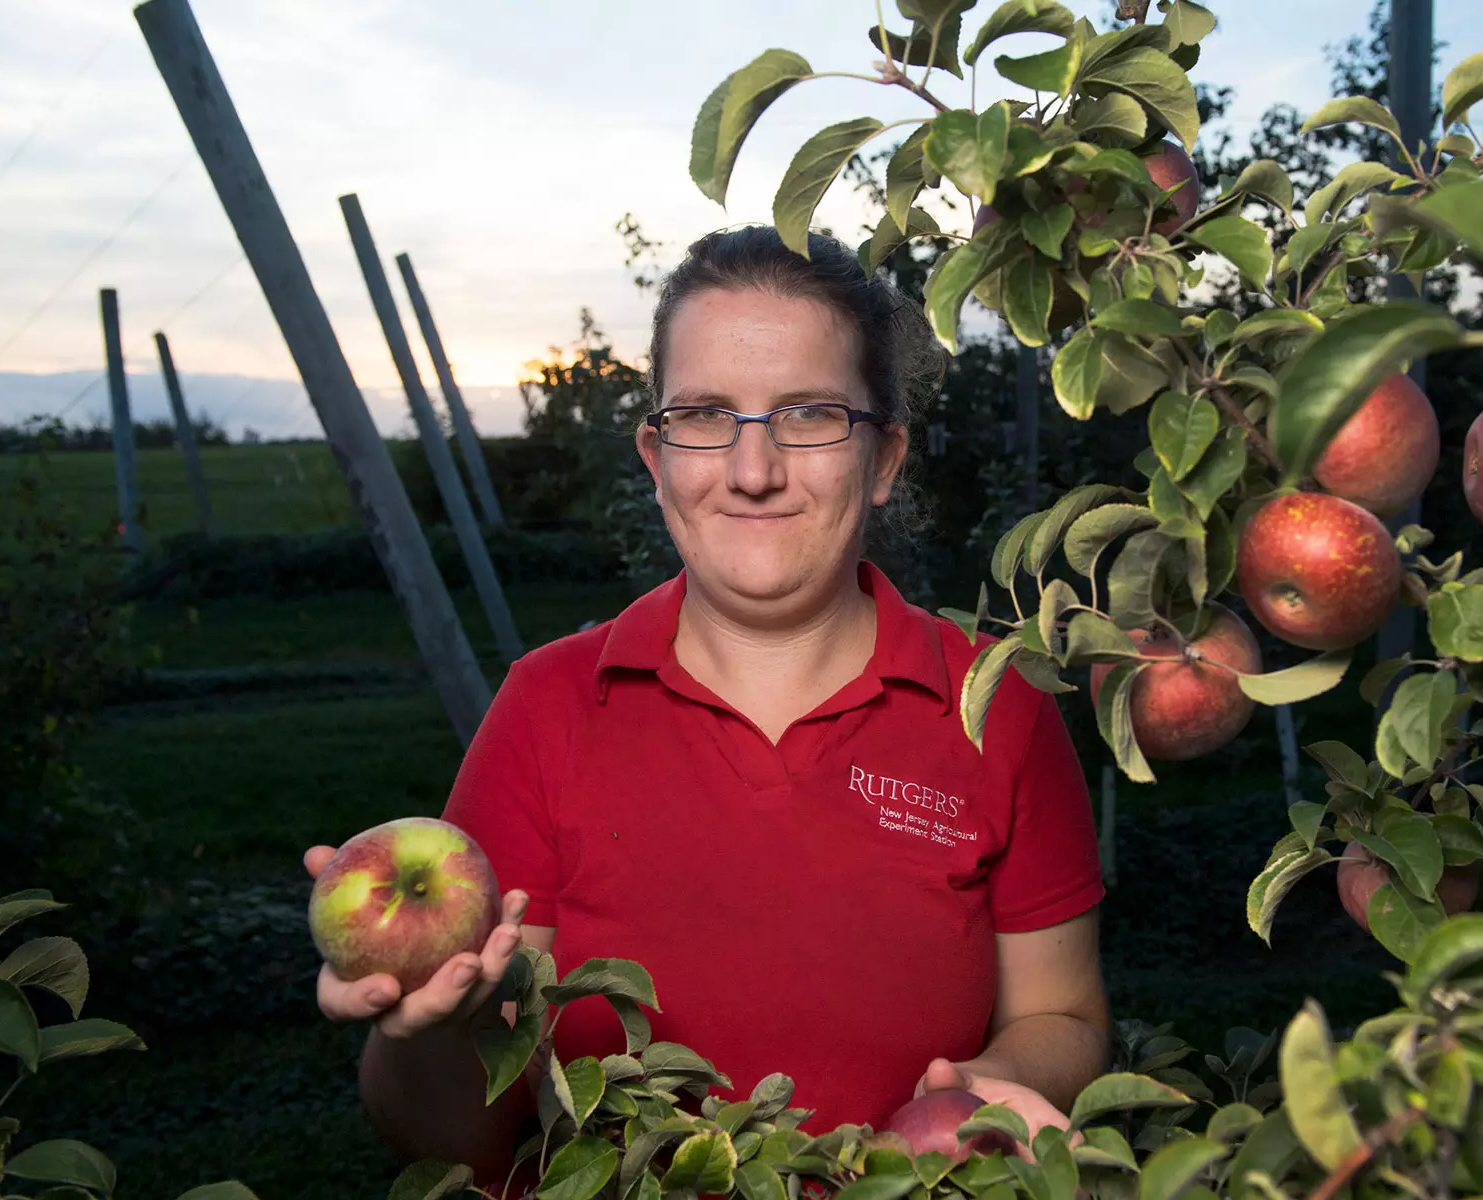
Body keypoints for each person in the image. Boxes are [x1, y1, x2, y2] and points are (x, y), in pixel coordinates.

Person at [307, 225, 1111, 1189]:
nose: (752, 469)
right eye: (703, 416)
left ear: (886, 459)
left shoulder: (995, 703)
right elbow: (448, 1147)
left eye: (809, 414)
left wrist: (983, 1087)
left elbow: (1065, 1019)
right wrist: (424, 1030)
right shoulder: (548, 708)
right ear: (656, 457)